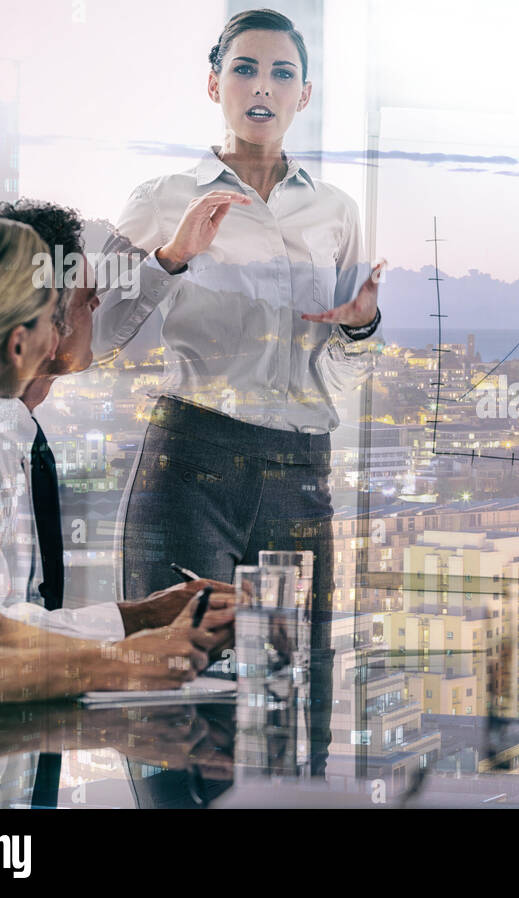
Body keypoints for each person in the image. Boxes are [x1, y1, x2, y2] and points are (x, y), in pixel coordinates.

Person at [93, 9, 382, 617]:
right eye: (244, 69)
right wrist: (171, 257)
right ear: (213, 84)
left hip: (302, 473)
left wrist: (359, 328)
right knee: (178, 675)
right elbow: (93, 336)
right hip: (190, 463)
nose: (261, 86)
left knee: (301, 680)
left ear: (303, 95)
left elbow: (345, 376)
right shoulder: (160, 198)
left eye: (282, 74)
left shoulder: (339, 212)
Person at [0, 210, 216, 709]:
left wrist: (149, 636)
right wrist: (117, 664)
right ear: (20, 344)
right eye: (50, 317)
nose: (59, 334)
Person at [0, 199, 234, 641]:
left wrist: (145, 615)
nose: (98, 306)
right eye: (88, 301)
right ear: (43, 323)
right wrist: (139, 626)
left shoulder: (10, 435)